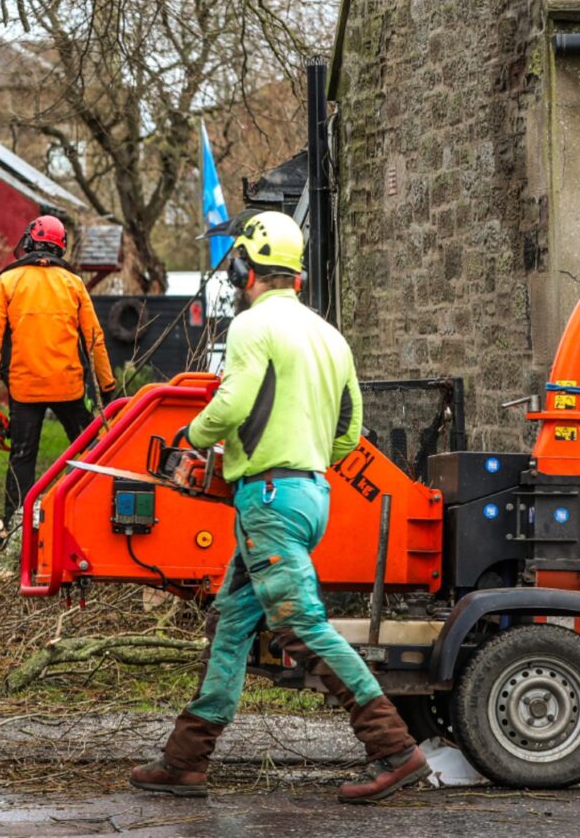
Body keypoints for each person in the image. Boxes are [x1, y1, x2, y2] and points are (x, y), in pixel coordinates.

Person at [129, 212, 428, 805]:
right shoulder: (330, 336)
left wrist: (194, 434)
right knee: (232, 623)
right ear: (294, 273)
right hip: (307, 493)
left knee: (298, 623)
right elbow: (350, 430)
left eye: (236, 265)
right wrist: (306, 455)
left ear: (244, 265)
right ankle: (185, 759)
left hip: (268, 499)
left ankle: (393, 747)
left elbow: (234, 401)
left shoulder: (252, 325)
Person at [0, 214, 115, 526]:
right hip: (69, 386)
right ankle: (94, 515)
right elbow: (94, 339)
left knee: (22, 457)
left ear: (30, 241)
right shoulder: (73, 283)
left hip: (24, 387)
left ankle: (15, 526)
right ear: (60, 247)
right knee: (91, 451)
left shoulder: (7, 281)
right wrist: (108, 387)